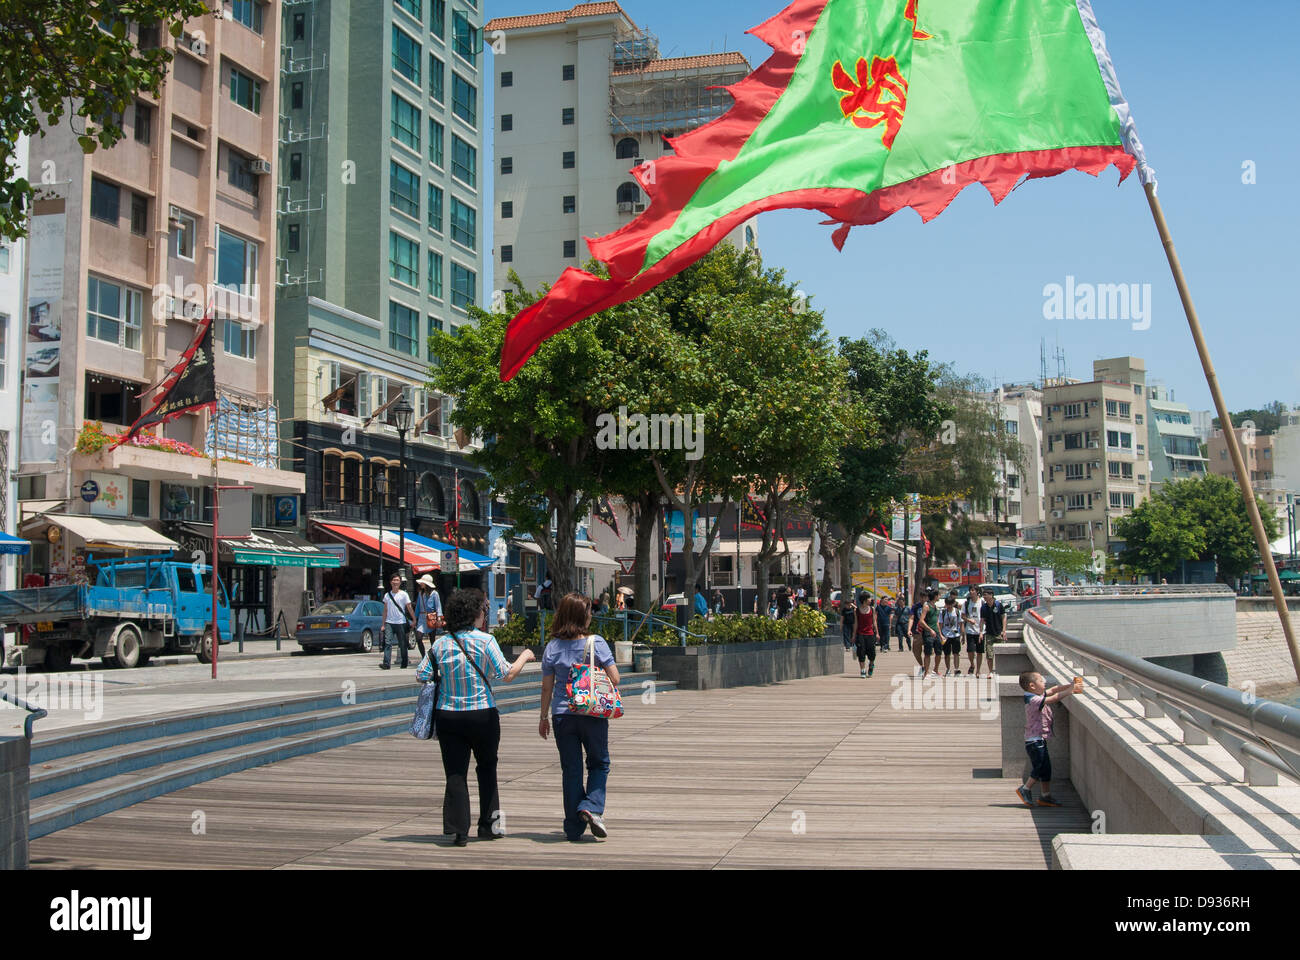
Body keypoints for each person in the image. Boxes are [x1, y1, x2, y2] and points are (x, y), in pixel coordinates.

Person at [431, 588, 535, 845]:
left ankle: (458, 830)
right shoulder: (486, 641)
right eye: (483, 610)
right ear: (476, 614)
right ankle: (489, 826)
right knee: (487, 769)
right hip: (482, 714)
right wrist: (525, 656)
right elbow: (506, 673)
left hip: (448, 715)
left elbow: (422, 674)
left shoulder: (440, 643)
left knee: (455, 772)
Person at [539, 593, 621, 842]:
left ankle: (573, 828)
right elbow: (615, 678)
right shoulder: (596, 643)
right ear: (581, 616)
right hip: (592, 713)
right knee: (599, 763)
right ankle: (592, 807)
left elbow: (546, 688)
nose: (590, 615)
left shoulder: (552, 647)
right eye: (588, 611)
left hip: (562, 715)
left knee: (571, 770)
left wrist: (543, 717)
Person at [1016, 671, 1081, 808]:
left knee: (1046, 769)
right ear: (1032, 686)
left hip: (1039, 739)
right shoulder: (1033, 700)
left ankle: (1045, 796)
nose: (1044, 682)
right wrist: (1070, 691)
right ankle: (1025, 789)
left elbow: (1054, 690)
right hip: (1034, 741)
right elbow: (1053, 698)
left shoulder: (1036, 695)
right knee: (1039, 767)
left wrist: (1071, 685)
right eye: (1041, 680)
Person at [380, 573, 416, 670]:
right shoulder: (387, 595)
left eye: (397, 580)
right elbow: (385, 610)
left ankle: (404, 662)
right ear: (391, 582)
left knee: (403, 644)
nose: (395, 582)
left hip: (401, 622)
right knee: (388, 643)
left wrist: (414, 619)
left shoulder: (404, 594)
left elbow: (409, 607)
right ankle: (386, 663)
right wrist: (383, 624)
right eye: (394, 580)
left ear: (400, 582)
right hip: (389, 622)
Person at [413, 574, 443, 659]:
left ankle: (434, 657)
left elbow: (438, 606)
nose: (421, 584)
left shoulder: (434, 594)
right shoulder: (420, 593)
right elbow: (418, 606)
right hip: (422, 618)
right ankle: (423, 657)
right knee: (418, 638)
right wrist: (415, 618)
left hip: (431, 617)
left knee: (432, 639)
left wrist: (439, 617)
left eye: (423, 582)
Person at [978, 587, 1005, 679]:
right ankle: (990, 672)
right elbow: (982, 620)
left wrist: (1004, 631)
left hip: (999, 632)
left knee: (1000, 654)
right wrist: (981, 632)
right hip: (989, 633)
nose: (984, 597)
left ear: (991, 595)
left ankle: (1000, 671)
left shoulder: (998, 605)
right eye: (983, 595)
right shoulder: (984, 607)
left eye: (985, 595)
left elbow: (1003, 617)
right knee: (989, 654)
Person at [961, 586, 984, 677]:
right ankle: (972, 664)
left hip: (981, 630)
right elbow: (962, 616)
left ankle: (978, 670)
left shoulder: (982, 602)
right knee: (970, 650)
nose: (971, 592)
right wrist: (969, 620)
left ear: (977, 592)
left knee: (979, 651)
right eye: (970, 590)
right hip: (970, 630)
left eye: (973, 590)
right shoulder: (966, 603)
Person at [939, 594, 963, 676]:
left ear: (953, 604)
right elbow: (940, 624)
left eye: (950, 604)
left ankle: (956, 669)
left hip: (956, 635)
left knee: (956, 653)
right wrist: (940, 635)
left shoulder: (957, 612)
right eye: (947, 604)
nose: (948, 606)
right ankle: (948, 669)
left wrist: (963, 635)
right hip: (946, 635)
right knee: (946, 654)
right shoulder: (942, 612)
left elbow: (961, 624)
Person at [854, 594, 878, 677]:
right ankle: (863, 670)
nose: (871, 600)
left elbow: (874, 622)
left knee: (872, 653)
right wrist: (853, 636)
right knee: (861, 652)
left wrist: (877, 633)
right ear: (864, 600)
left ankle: (871, 665)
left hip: (870, 634)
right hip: (860, 634)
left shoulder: (872, 609)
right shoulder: (857, 610)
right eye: (869, 598)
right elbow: (856, 623)